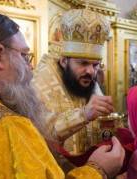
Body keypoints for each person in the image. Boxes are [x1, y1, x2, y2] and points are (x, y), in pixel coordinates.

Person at [0, 10, 125, 179]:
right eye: (24, 55)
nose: (91, 71)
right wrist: (97, 171)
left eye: (96, 65)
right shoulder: (10, 121)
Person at [33, 9, 114, 155]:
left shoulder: (88, 82)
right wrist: (83, 115)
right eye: (83, 63)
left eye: (95, 65)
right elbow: (38, 132)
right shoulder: (41, 82)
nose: (90, 71)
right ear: (64, 61)